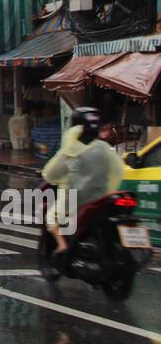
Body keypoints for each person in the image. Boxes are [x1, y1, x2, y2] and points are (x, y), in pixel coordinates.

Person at [42, 106, 123, 255]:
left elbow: (51, 174)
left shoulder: (70, 149)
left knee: (51, 217)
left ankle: (62, 246)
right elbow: (117, 170)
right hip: (102, 197)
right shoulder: (104, 148)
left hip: (74, 199)